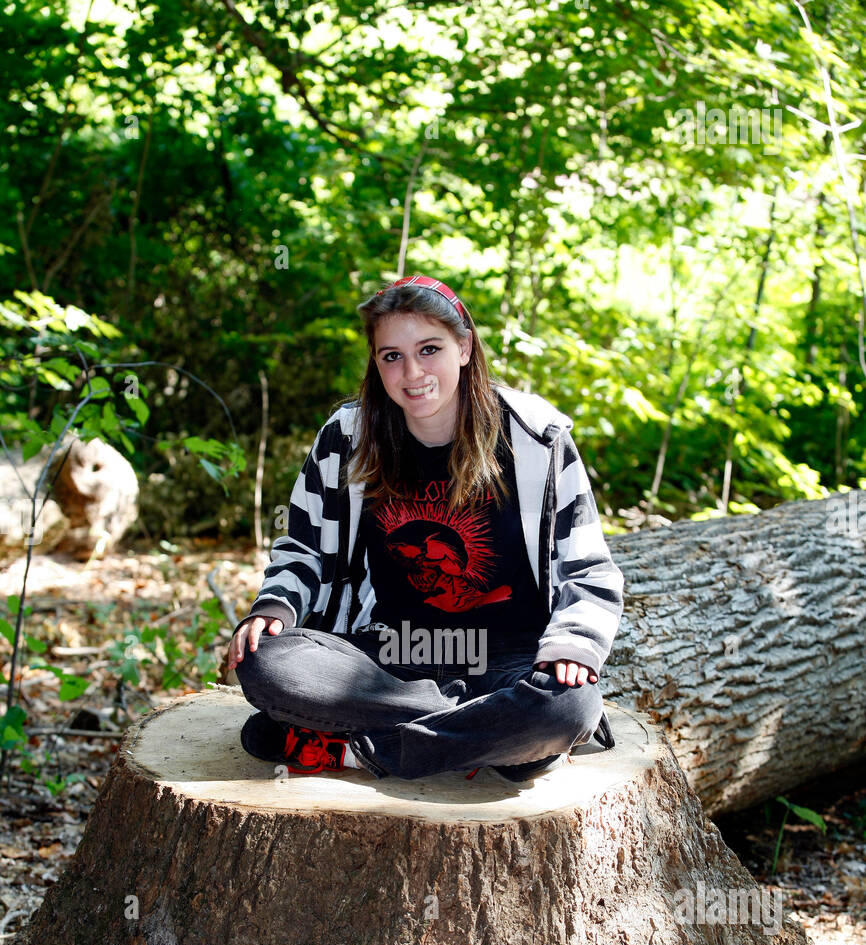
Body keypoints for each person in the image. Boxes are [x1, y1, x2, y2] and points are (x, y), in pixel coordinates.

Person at [227, 273, 625, 782]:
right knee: (266, 665)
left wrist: (572, 646)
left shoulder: (534, 438)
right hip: (387, 656)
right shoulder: (346, 438)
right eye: (391, 355)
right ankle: (490, 736)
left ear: (464, 347)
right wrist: (275, 607)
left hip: (506, 657)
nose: (412, 372)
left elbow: (588, 567)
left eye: (429, 349)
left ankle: (360, 751)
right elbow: (304, 547)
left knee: (565, 709)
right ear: (376, 363)